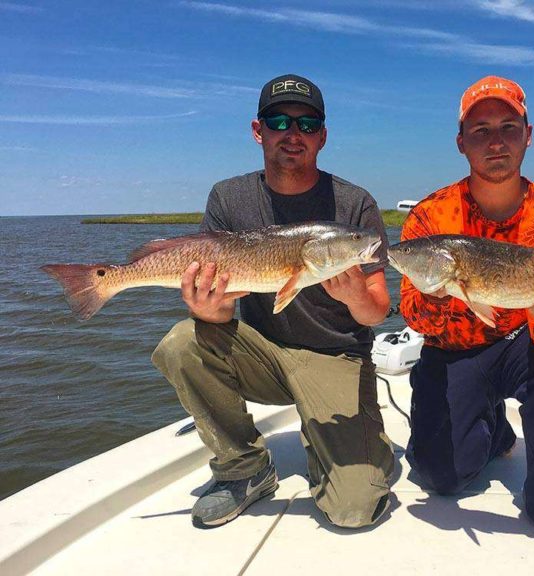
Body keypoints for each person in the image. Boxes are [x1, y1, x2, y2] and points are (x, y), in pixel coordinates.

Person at [152, 74, 394, 530]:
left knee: (352, 508)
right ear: (258, 130)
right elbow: (221, 315)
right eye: (279, 121)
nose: (293, 134)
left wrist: (358, 294)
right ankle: (245, 469)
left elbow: (378, 311)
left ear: (323, 135)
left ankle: (341, 444)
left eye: (307, 124)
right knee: (182, 342)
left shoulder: (355, 204)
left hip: (336, 355)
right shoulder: (228, 197)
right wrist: (207, 306)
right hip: (262, 354)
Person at [399, 76, 534, 552]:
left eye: (508, 127)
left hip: (524, 341)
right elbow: (414, 316)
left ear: (528, 135)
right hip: (452, 354)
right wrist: (441, 290)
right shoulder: (429, 218)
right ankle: (493, 431)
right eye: (480, 130)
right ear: (461, 143)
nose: (495, 142)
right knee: (439, 477)